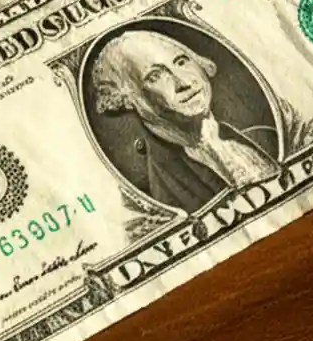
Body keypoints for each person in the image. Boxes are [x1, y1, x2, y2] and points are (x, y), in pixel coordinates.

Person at [91, 30, 281, 212]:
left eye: (181, 62)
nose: (184, 83)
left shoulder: (265, 138)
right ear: (129, 99)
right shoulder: (159, 195)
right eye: (155, 76)